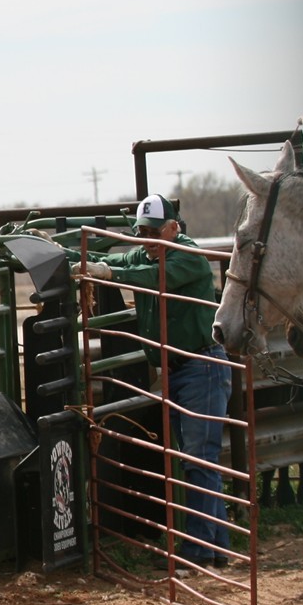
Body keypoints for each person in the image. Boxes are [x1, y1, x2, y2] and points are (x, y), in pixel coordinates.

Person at [75, 194, 233, 572]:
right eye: (142, 231)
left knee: (198, 459)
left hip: (200, 365)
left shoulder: (187, 257)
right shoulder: (148, 253)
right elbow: (120, 259)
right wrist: (77, 258)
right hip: (183, 369)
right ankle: (217, 546)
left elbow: (149, 277)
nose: (147, 239)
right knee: (196, 459)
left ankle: (196, 552)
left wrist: (107, 273)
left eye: (154, 231)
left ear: (174, 228)